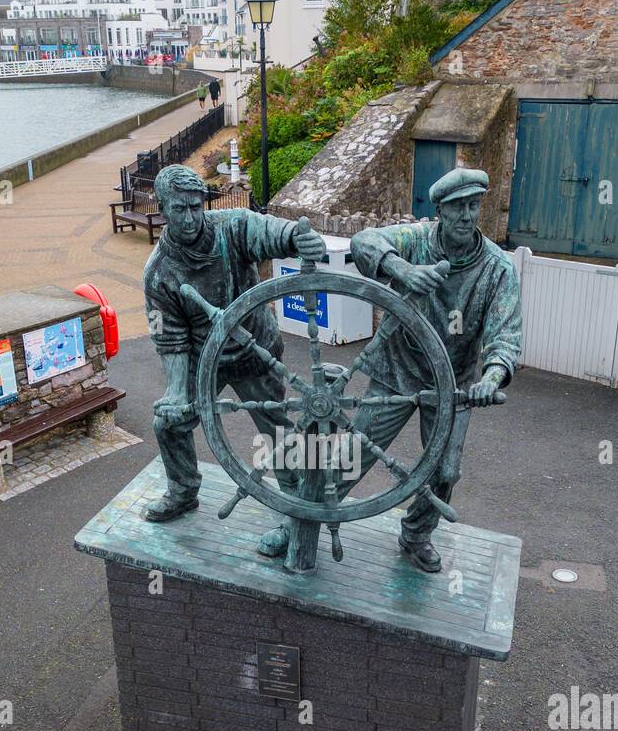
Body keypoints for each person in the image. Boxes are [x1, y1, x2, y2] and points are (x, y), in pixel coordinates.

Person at [260, 168, 522, 573]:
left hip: (452, 383)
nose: (467, 216)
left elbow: (505, 336)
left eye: (473, 206)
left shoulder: (497, 269)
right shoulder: (414, 241)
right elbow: (363, 242)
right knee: (353, 454)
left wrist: (492, 377)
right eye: (457, 208)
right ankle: (297, 521)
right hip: (397, 369)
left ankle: (416, 533)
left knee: (445, 470)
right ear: (439, 210)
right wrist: (404, 272)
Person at [142, 164, 327, 523]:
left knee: (277, 432)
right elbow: (171, 340)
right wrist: (178, 393)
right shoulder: (159, 273)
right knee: (168, 424)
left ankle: (297, 511)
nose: (191, 217)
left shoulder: (235, 226)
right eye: (179, 209)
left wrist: (297, 237)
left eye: (196, 206)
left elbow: (271, 232)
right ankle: (182, 491)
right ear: (162, 210)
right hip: (205, 357)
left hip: (257, 350)